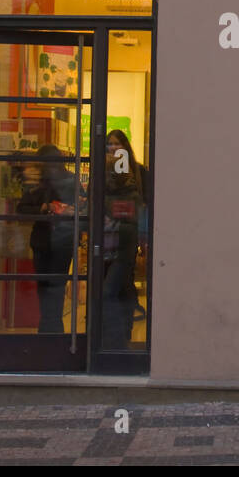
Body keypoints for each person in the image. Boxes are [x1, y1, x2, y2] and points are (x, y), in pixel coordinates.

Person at [16, 144, 81, 333]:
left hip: (58, 239)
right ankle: (50, 329)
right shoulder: (41, 183)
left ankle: (48, 330)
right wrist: (43, 208)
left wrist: (68, 209)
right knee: (49, 287)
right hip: (51, 239)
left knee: (51, 287)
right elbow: (22, 209)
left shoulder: (63, 180)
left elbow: (82, 206)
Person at [101, 129, 146, 349]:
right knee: (121, 287)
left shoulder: (138, 173)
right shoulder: (102, 173)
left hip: (126, 241)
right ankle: (116, 337)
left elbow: (143, 208)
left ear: (125, 147)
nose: (112, 148)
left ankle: (116, 341)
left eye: (117, 144)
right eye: (109, 144)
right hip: (104, 240)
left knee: (110, 289)